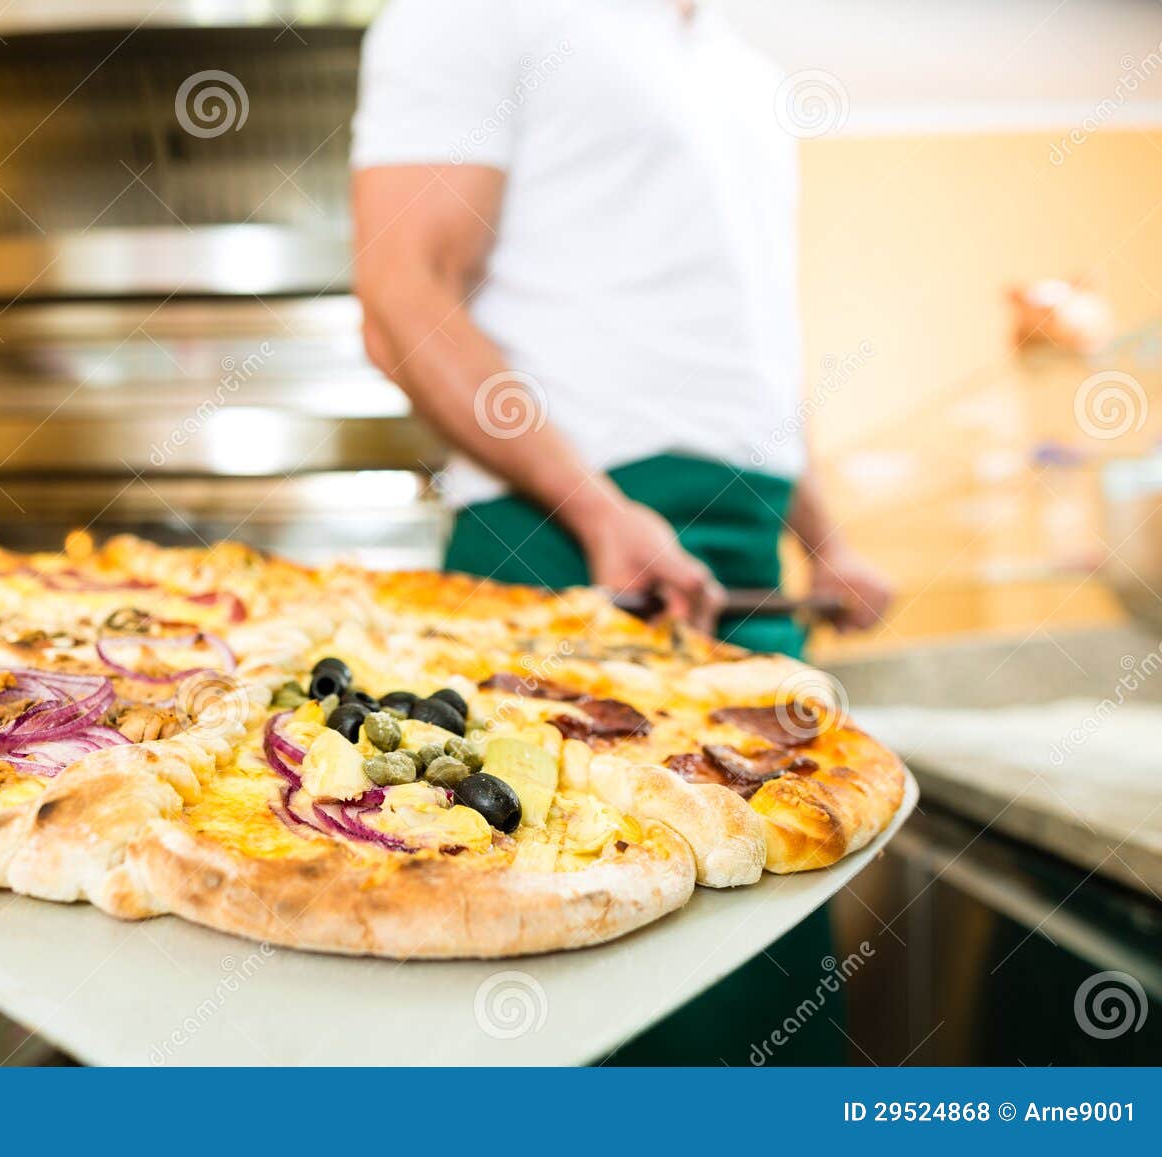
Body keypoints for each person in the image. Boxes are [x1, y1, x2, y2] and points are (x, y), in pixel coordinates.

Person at [350, 0, 892, 1063]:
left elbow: (753, 343)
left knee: (763, 992)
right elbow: (399, 290)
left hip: (742, 565)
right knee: (572, 996)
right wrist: (595, 506)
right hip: (559, 549)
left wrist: (822, 536)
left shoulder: (743, 70)